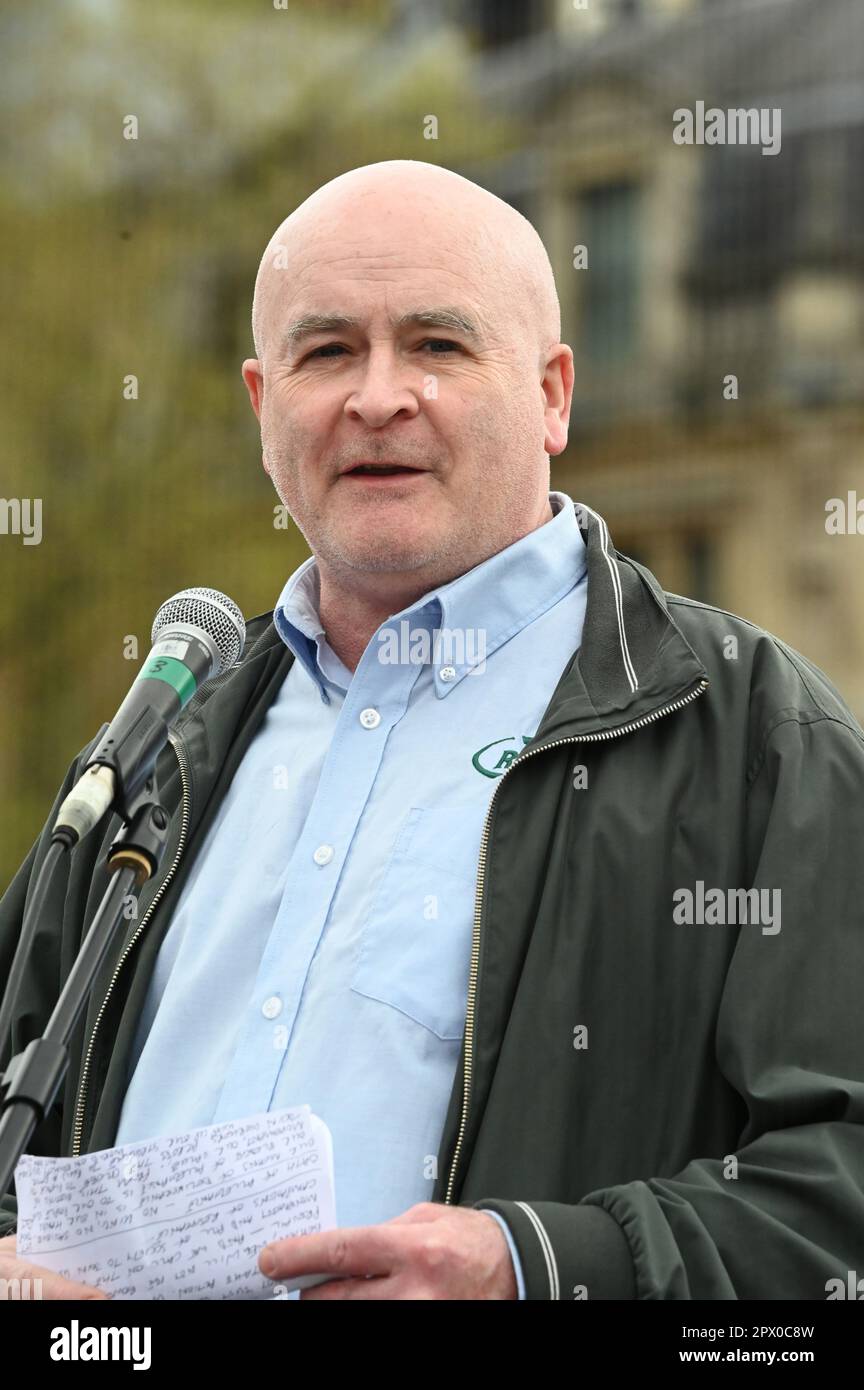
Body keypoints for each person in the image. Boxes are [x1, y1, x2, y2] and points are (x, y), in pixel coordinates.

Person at [1, 160, 863, 1301]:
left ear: (555, 394)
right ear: (265, 405)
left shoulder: (760, 742)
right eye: (326, 352)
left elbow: (837, 1189)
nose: (377, 397)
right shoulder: (154, 753)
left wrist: (536, 1269)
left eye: (439, 346)